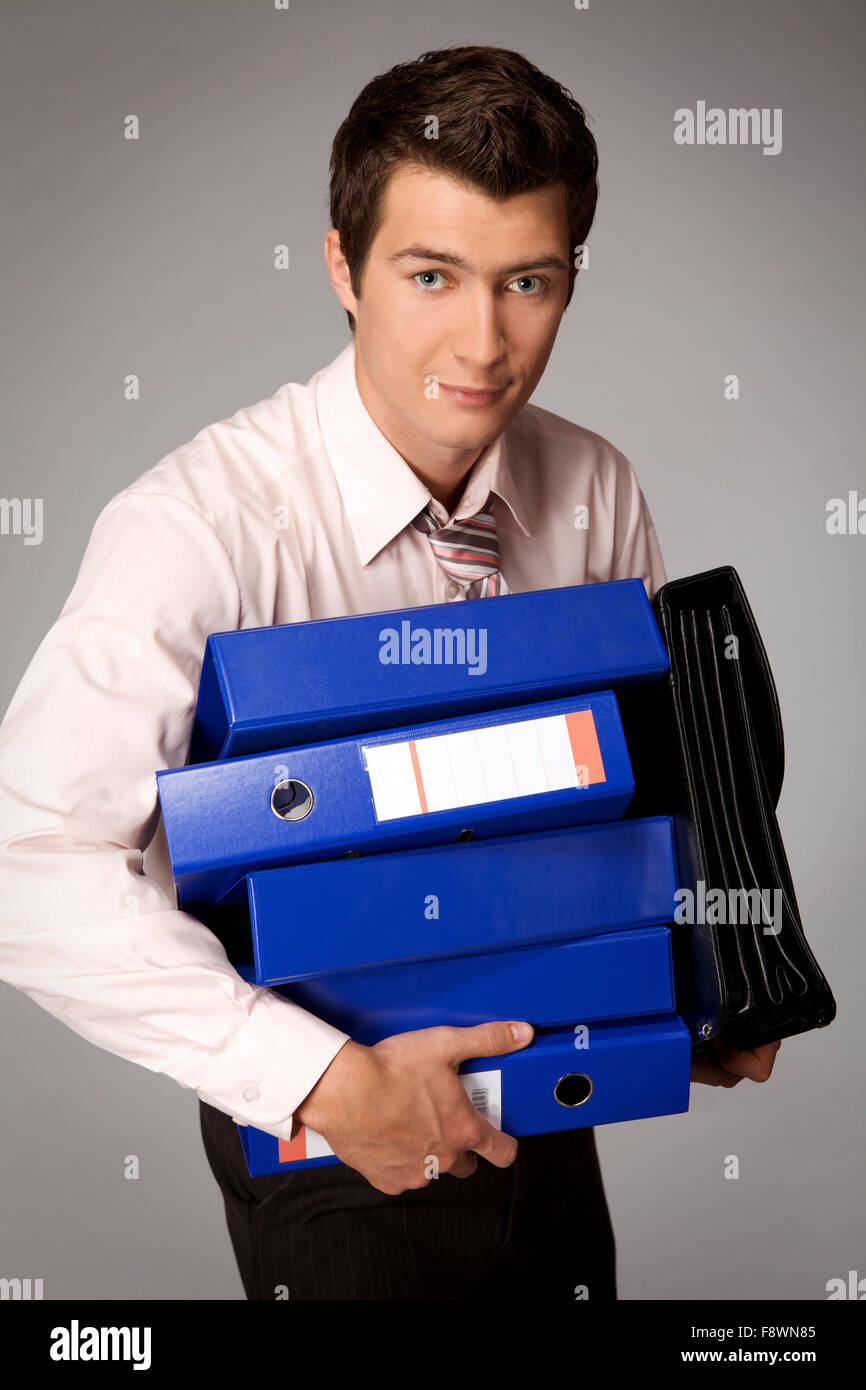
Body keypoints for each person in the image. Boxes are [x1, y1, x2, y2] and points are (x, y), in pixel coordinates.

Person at [0, 44, 780, 1302]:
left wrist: (700, 979)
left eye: (527, 281)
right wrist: (322, 1083)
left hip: (553, 1089)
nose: (481, 342)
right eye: (431, 276)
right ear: (341, 270)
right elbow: (23, 865)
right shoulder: (198, 526)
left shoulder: (593, 489)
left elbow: (643, 788)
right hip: (328, 1136)